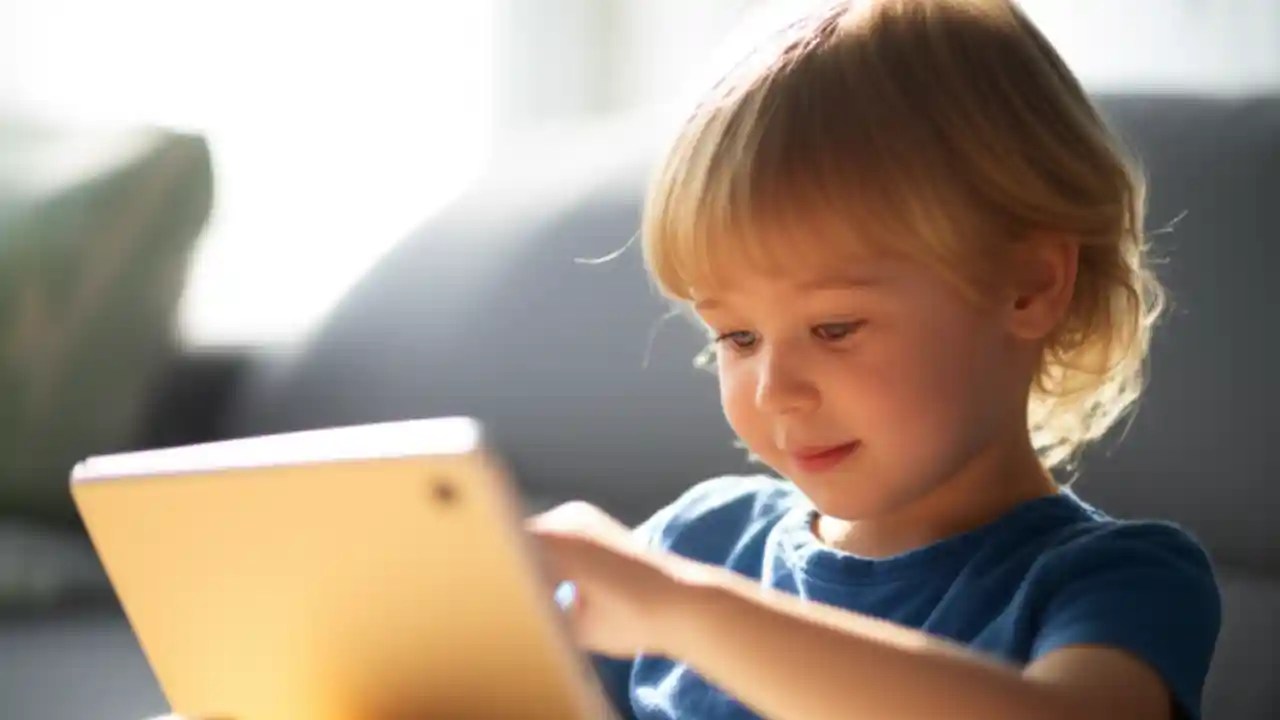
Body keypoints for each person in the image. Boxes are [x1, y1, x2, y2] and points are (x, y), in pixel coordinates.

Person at [526, 1, 1221, 719]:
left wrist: (686, 613)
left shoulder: (1113, 581)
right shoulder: (696, 541)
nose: (775, 391)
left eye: (833, 328)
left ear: (1029, 286)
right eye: (737, 337)